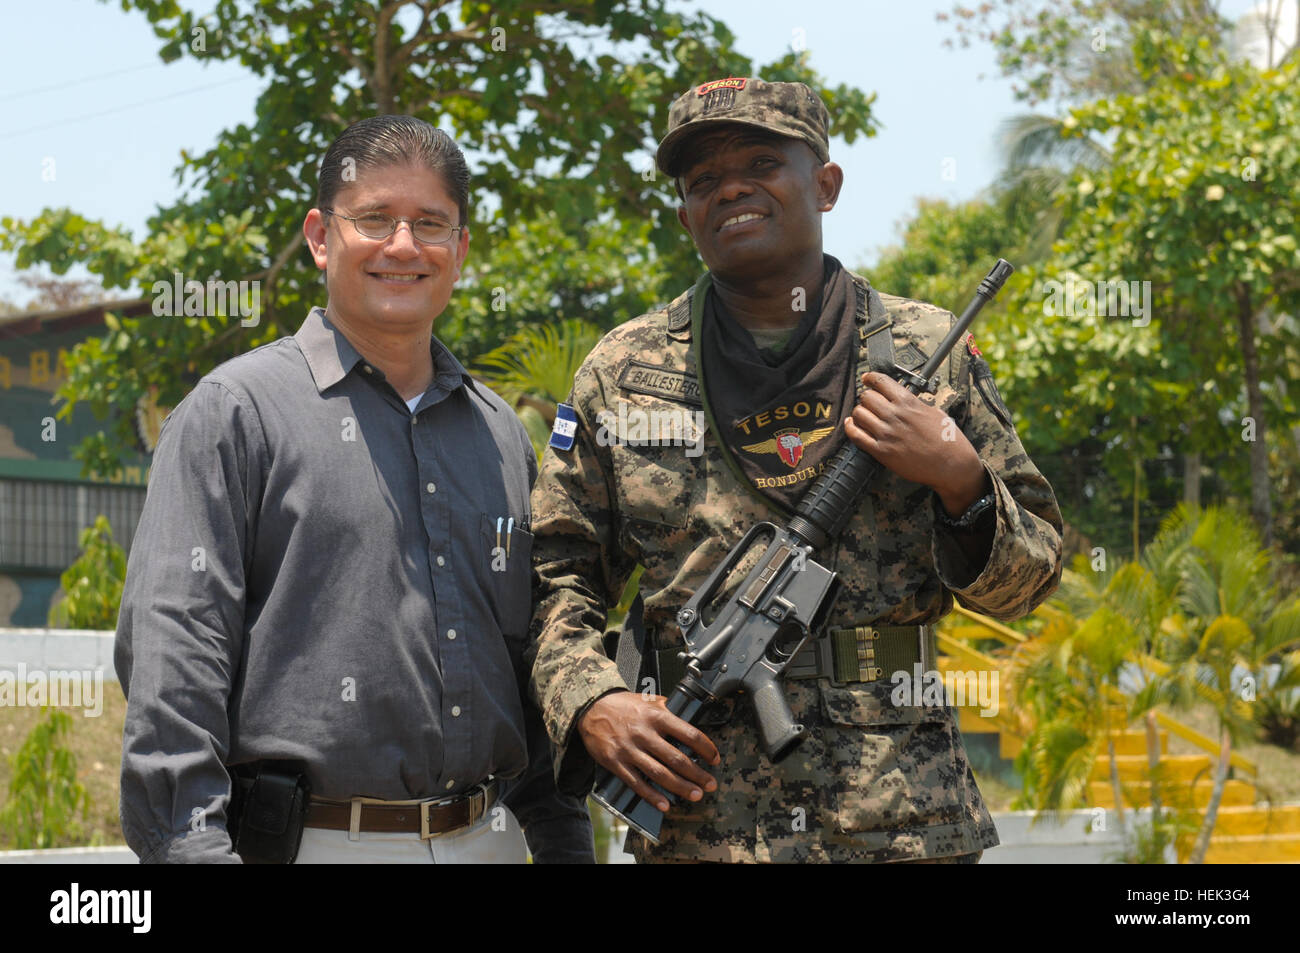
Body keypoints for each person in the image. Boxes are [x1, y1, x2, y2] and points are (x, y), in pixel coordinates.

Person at [527, 78, 1063, 863]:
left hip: (903, 818)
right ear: (685, 216)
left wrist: (958, 476)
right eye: (703, 181)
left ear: (826, 183)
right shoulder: (624, 370)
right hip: (702, 822)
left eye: (762, 162)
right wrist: (592, 699)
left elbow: (1034, 578)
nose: (731, 188)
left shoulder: (922, 350)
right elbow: (555, 573)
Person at [115, 115, 594, 864]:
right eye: (374, 218)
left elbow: (528, 660)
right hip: (311, 845)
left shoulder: (501, 434)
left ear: (460, 249)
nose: (403, 246)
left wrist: (564, 840)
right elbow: (176, 655)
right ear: (319, 235)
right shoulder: (234, 412)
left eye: (431, 223)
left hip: (488, 841)